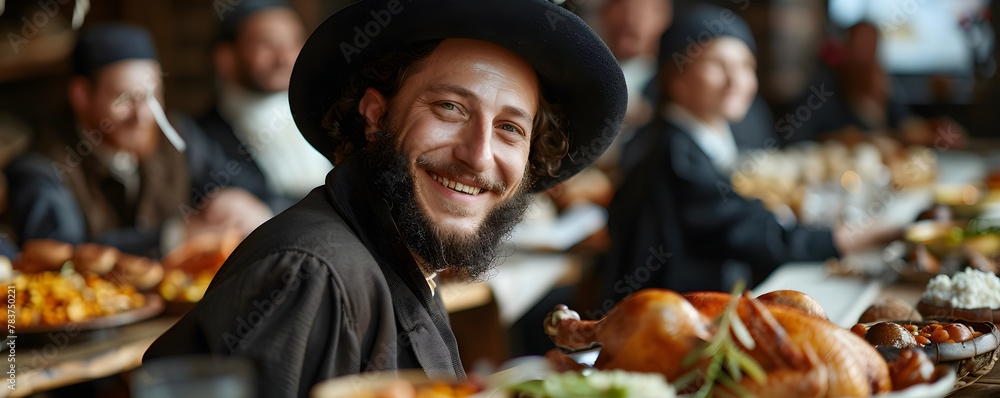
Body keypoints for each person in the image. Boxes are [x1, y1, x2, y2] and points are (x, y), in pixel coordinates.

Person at [143, 0, 627, 396]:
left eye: (510, 128)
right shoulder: (313, 277)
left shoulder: (404, 260)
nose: (479, 155)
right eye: (450, 107)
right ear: (376, 116)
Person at [601, 5, 888, 309]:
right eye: (718, 65)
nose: (735, 80)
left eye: (745, 65)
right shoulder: (673, 154)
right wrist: (853, 235)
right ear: (676, 77)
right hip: (667, 322)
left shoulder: (710, 137)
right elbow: (744, 231)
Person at [4, 24, 270, 257]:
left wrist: (251, 206)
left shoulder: (176, 136)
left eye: (152, 96)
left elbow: (258, 189)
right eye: (123, 99)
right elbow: (59, 253)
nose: (142, 115)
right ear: (81, 96)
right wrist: (172, 238)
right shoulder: (43, 166)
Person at [196, 0, 331, 212]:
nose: (284, 58)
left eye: (294, 42)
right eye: (267, 44)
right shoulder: (202, 141)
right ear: (226, 58)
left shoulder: (330, 116)